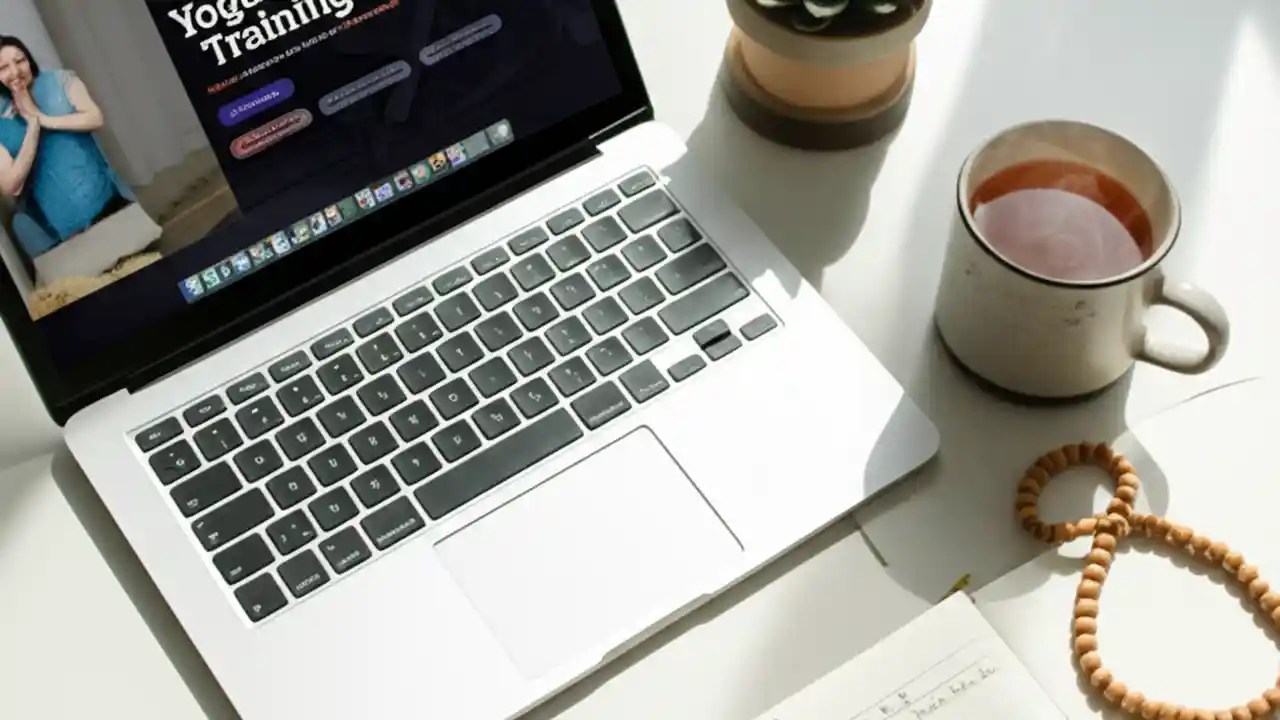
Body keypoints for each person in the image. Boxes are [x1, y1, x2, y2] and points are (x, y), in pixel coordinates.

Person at [0, 35, 135, 261]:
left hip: (109, 202)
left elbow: (95, 117)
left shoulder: (61, 80)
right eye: (3, 67)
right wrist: (32, 126)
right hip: (66, 231)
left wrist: (43, 119)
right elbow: (11, 185)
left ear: (29, 59)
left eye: (20, 60)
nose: (15, 71)